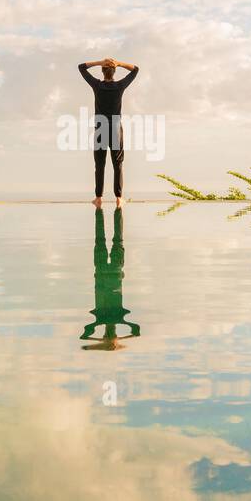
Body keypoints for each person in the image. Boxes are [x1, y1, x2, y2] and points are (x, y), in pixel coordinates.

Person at [78, 56, 138, 208]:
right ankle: (119, 199)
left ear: (103, 71)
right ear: (114, 71)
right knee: (117, 164)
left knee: (100, 164)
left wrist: (99, 62)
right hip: (116, 128)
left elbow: (81, 67)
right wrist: (119, 63)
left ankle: (98, 198)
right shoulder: (120, 86)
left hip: (100, 128)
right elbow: (135, 69)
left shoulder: (97, 85)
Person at [81, 207, 140, 350]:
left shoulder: (118, 318)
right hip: (104, 271)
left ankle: (111, 208)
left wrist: (117, 343)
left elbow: (136, 331)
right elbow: (85, 337)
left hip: (112, 271)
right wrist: (110, 343)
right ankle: (104, 208)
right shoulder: (101, 319)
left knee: (117, 240)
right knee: (101, 240)